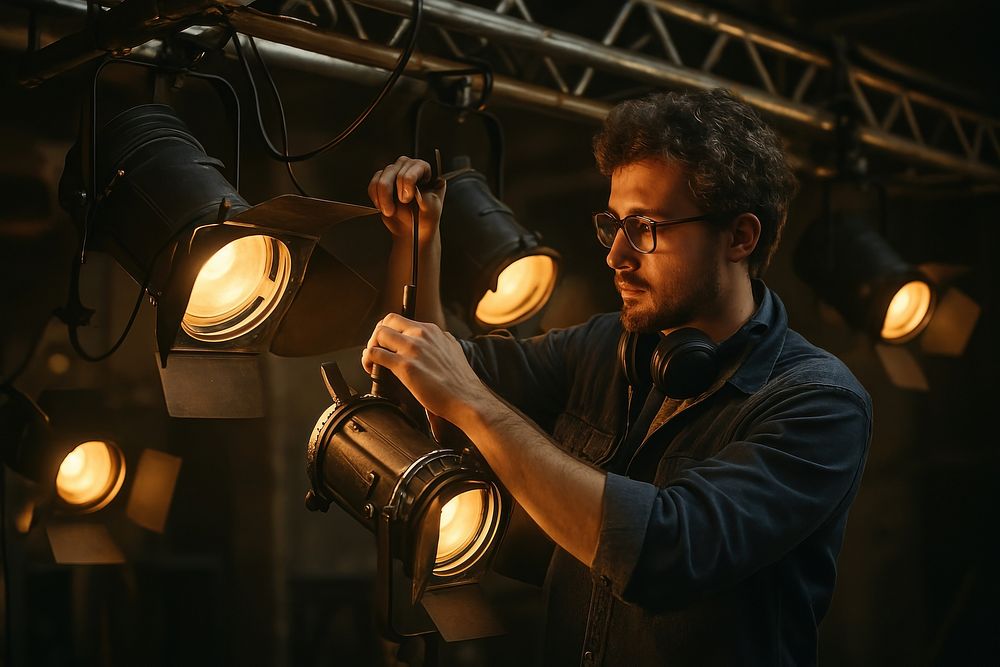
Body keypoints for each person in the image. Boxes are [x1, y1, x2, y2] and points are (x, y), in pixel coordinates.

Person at [362, 88, 872, 666]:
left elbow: (663, 551)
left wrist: (471, 401)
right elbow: (426, 375)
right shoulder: (606, 347)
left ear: (740, 237)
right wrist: (418, 240)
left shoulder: (817, 403)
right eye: (615, 225)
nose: (617, 256)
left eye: (647, 227)